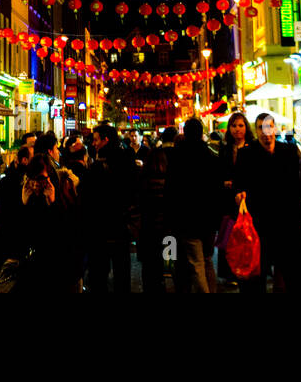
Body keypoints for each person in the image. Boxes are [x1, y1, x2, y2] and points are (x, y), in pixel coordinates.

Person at [237, 112, 301, 292]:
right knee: (256, 278)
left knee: (295, 275)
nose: (265, 132)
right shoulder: (246, 154)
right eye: (261, 128)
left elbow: (296, 189)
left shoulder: (288, 152)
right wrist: (239, 195)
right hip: (259, 226)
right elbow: (239, 186)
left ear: (275, 128)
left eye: (269, 127)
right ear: (256, 131)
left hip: (288, 224)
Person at [16, 139, 81, 292]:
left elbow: (68, 230)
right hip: (36, 268)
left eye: (40, 178)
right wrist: (24, 205)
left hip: (62, 267)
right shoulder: (28, 194)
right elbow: (21, 234)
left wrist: (52, 203)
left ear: (49, 177)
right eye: (32, 178)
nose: (36, 183)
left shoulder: (64, 191)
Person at [166, 118, 221, 292]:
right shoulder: (210, 155)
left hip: (187, 218)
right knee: (206, 260)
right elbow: (216, 189)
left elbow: (171, 188)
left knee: (196, 263)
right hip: (208, 219)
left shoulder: (177, 156)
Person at [83, 123, 135, 293]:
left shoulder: (98, 166)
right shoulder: (128, 160)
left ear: (106, 140)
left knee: (99, 274)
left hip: (100, 228)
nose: (93, 143)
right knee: (122, 272)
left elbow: (89, 197)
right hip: (122, 225)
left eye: (96, 140)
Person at [217, 112, 252, 284]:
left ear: (246, 127)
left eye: (240, 125)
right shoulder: (224, 150)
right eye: (234, 126)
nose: (237, 129)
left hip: (248, 200)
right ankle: (230, 272)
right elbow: (218, 174)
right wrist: (224, 183)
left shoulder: (252, 148)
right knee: (229, 236)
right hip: (228, 201)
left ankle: (248, 268)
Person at [135, 141, 171, 293]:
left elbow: (137, 205)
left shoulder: (142, 181)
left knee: (149, 269)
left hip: (147, 232)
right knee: (169, 265)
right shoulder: (170, 181)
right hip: (168, 233)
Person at [0, 144, 31, 273]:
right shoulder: (21, 181)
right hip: (16, 237)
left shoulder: (7, 179)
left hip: (8, 237)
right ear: (24, 160)